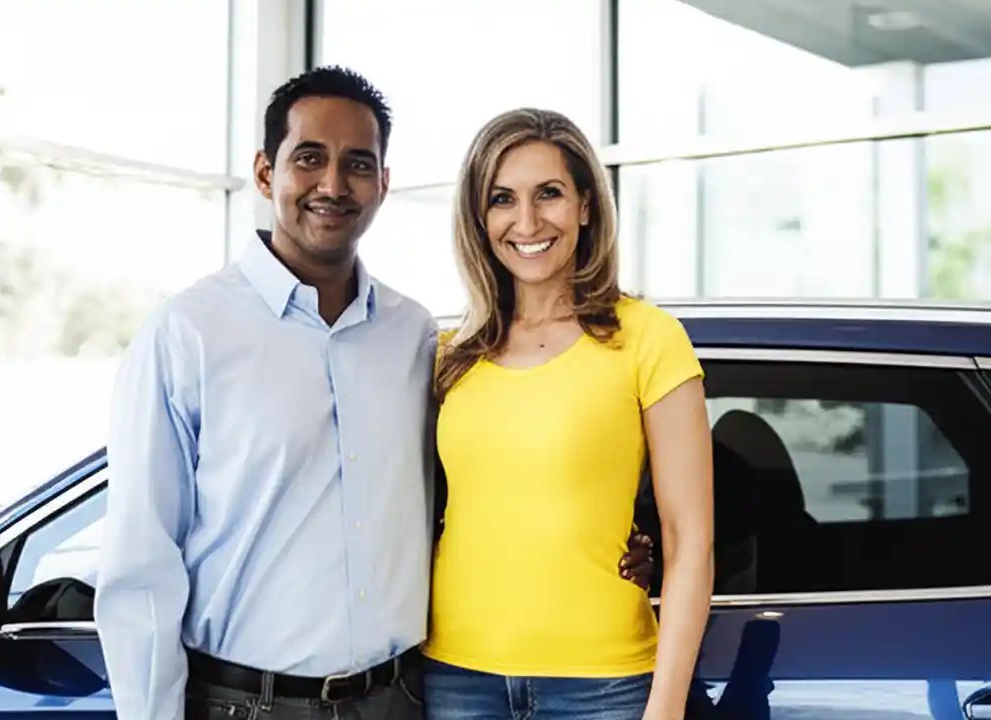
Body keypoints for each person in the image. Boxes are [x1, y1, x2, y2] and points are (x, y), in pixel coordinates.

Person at [94, 67, 652, 720]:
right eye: (309, 158)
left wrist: (632, 535)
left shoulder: (415, 336)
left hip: (404, 698)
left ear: (383, 184)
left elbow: (485, 480)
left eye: (358, 164)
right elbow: (141, 569)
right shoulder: (187, 334)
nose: (333, 184)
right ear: (266, 172)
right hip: (247, 704)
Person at [425, 107, 715, 720]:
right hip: (455, 679)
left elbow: (690, 541)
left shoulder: (648, 338)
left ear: (586, 204)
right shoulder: (449, 354)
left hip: (602, 687)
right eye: (502, 198)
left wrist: (664, 710)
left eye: (549, 194)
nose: (526, 221)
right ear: (480, 218)